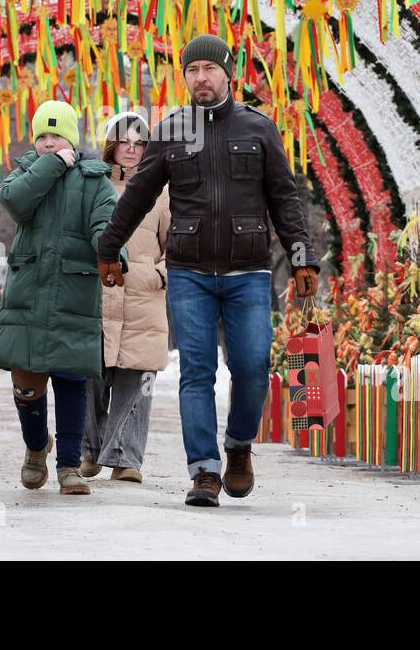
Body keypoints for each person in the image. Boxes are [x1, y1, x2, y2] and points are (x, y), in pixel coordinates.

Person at [95, 34, 320, 507]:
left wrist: (302, 256)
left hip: (249, 272)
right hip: (189, 271)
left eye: (209, 69)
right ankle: (204, 471)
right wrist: (108, 247)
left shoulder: (259, 129)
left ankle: (238, 446)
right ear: (184, 78)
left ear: (227, 73)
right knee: (196, 371)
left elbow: (284, 196)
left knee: (253, 366)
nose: (201, 78)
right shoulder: (171, 131)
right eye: (192, 70)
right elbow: (137, 197)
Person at [0, 99, 128, 495]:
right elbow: (15, 202)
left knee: (70, 383)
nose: (49, 144)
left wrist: (111, 253)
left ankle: (68, 465)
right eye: (43, 137)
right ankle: (36, 448)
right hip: (28, 294)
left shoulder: (94, 181)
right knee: (27, 385)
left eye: (58, 137)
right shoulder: (25, 175)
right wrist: (51, 165)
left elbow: (106, 224)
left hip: (74, 293)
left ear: (72, 139)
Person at [80, 112, 171, 484]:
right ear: (110, 146)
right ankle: (88, 452)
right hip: (96, 298)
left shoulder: (164, 193)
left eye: (139, 143)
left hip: (143, 299)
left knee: (137, 381)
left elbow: (177, 243)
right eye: (124, 142)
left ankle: (126, 457)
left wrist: (158, 274)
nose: (131, 150)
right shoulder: (91, 187)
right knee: (90, 378)